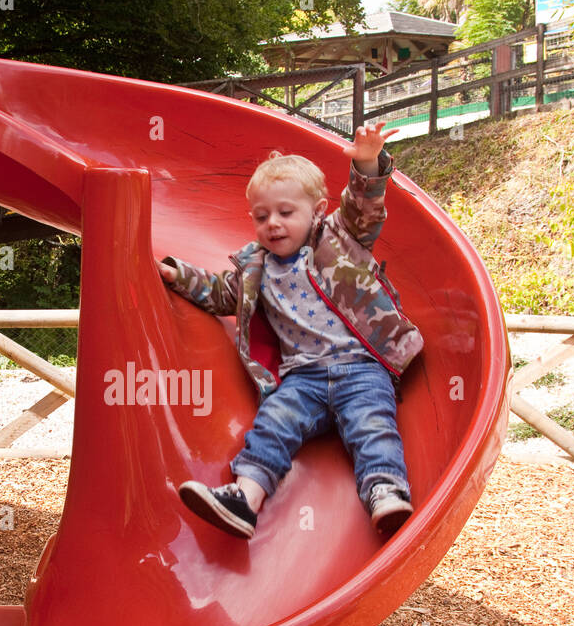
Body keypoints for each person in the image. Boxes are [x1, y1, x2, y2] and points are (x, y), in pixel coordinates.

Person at [156, 122, 423, 539]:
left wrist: (367, 161)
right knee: (272, 425)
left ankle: (385, 491)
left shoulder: (338, 240)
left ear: (317, 211)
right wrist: (177, 275)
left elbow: (363, 206)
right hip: (303, 379)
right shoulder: (256, 270)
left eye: (285, 213)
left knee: (372, 424)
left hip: (361, 368)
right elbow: (219, 293)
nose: (273, 224)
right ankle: (245, 499)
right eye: (262, 217)